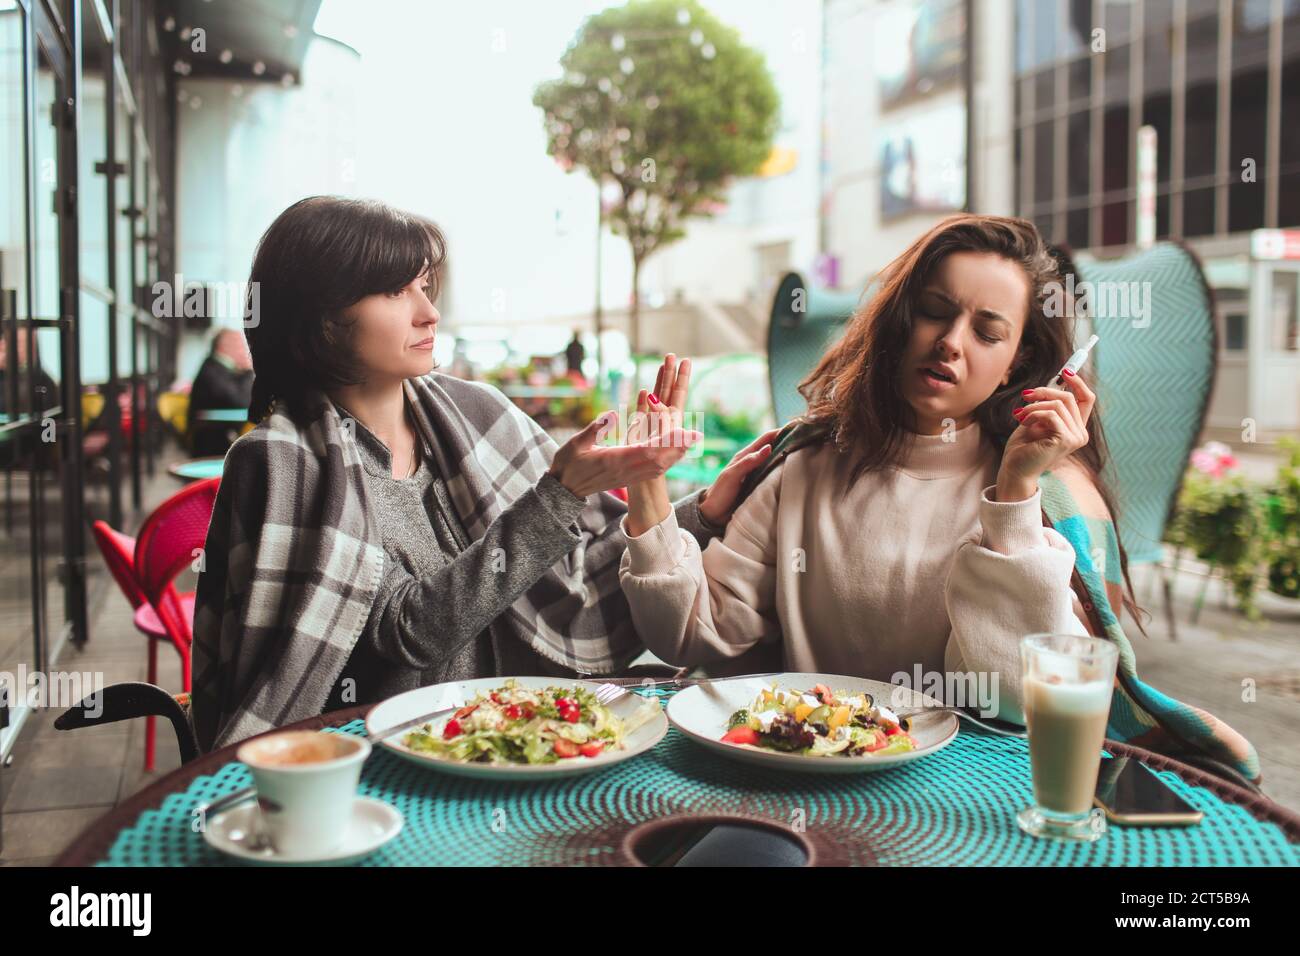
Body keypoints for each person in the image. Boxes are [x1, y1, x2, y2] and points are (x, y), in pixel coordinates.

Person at [189, 196, 771, 752]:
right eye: (395, 291)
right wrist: (559, 493)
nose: (429, 311)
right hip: (383, 759)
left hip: (510, 735)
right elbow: (410, 629)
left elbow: (584, 566)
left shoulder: (477, 413)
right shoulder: (281, 462)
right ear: (322, 319)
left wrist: (701, 512)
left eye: (424, 284)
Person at [617, 214, 1147, 725]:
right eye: (935, 311)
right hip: (797, 771)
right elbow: (687, 632)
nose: (951, 342)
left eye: (987, 333)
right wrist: (647, 481)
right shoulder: (803, 466)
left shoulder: (1042, 497)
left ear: (1016, 361)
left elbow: (1016, 700)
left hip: (961, 790)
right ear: (899, 319)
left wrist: (1013, 497)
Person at [186, 328, 254, 457]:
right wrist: (247, 371)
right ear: (224, 346)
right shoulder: (212, 371)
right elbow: (242, 402)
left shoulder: (217, 368)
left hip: (218, 440)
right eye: (238, 344)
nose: (243, 349)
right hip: (211, 447)